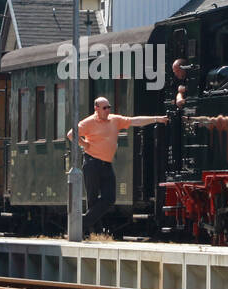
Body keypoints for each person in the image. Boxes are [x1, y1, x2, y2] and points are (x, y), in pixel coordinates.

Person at [67, 97, 167, 238]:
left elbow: (135, 121)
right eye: (105, 108)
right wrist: (85, 144)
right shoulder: (89, 122)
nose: (108, 110)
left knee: (109, 198)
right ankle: (95, 233)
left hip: (106, 164)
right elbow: (71, 134)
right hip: (92, 163)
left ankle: (81, 224)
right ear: (96, 108)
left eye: (109, 107)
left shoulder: (114, 120)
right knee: (93, 199)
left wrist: (156, 119)